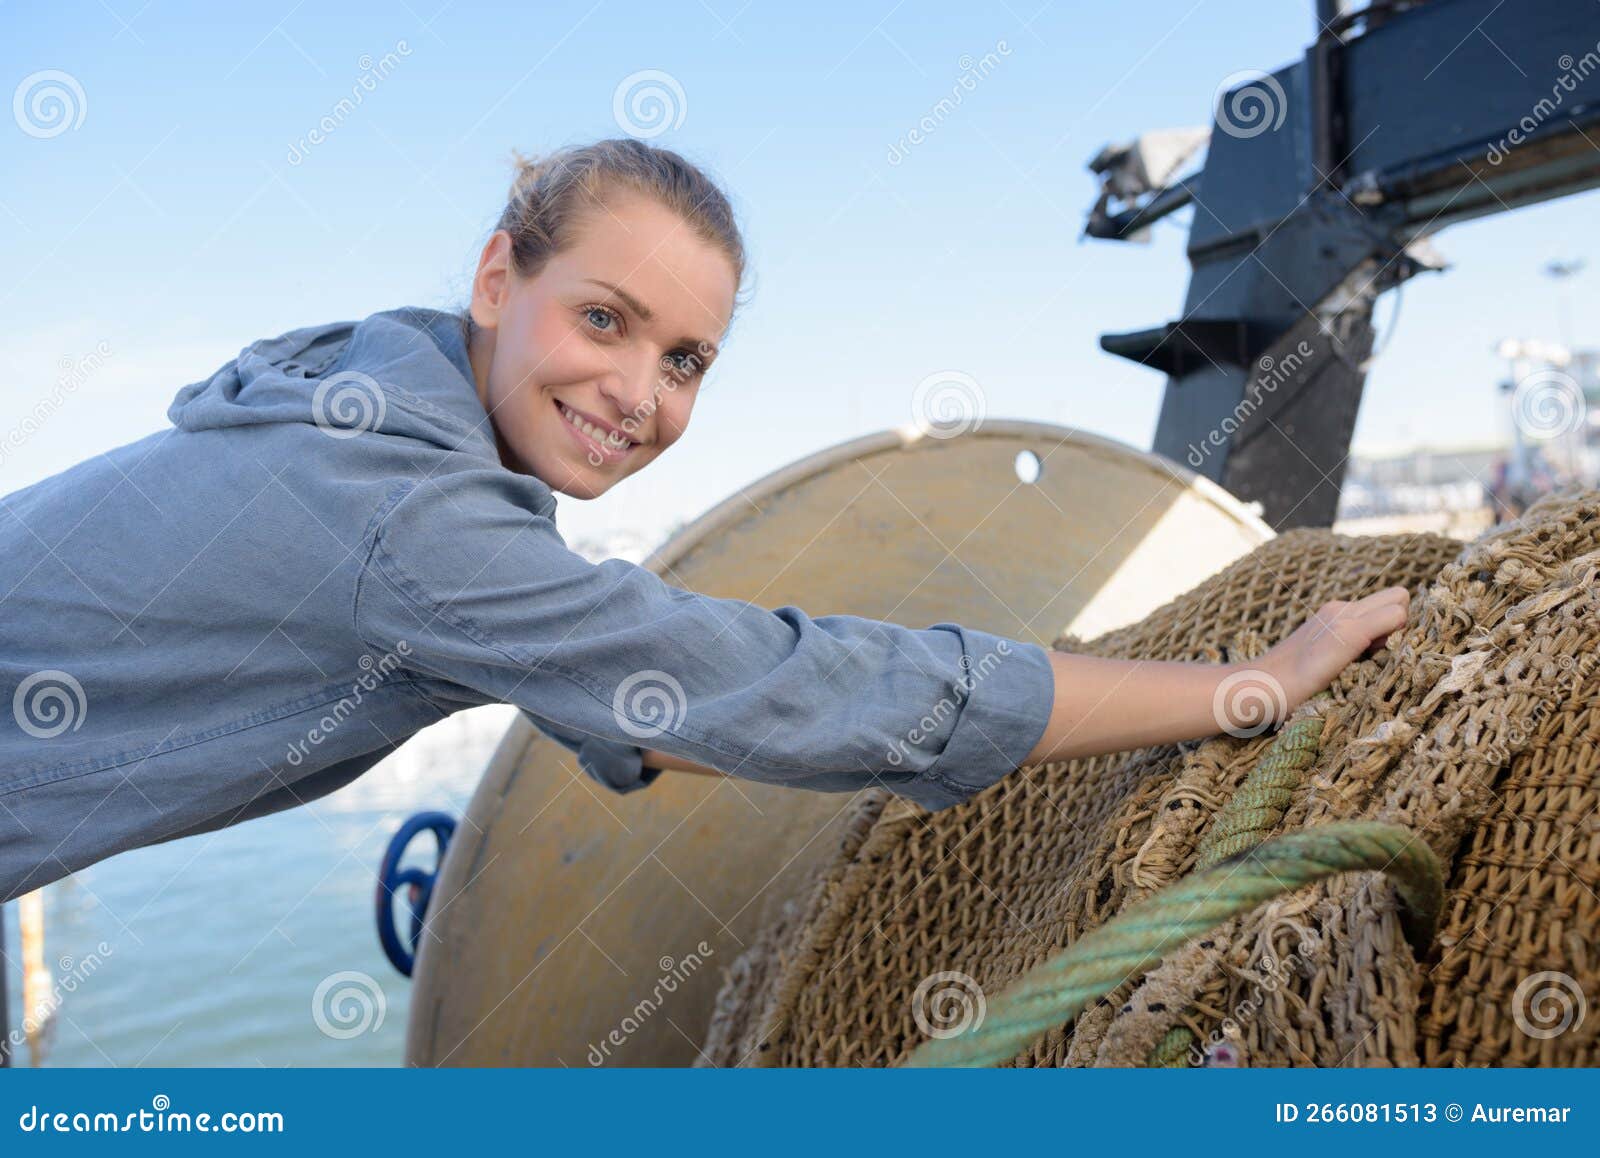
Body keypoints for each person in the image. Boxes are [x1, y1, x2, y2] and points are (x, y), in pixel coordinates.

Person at [0, 139, 1409, 902]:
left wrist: (632, 706)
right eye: (603, 318)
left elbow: (654, 695)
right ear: (500, 275)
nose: (636, 391)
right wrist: (1251, 685)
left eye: (685, 361)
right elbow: (800, 686)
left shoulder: (361, 396)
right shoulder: (415, 522)